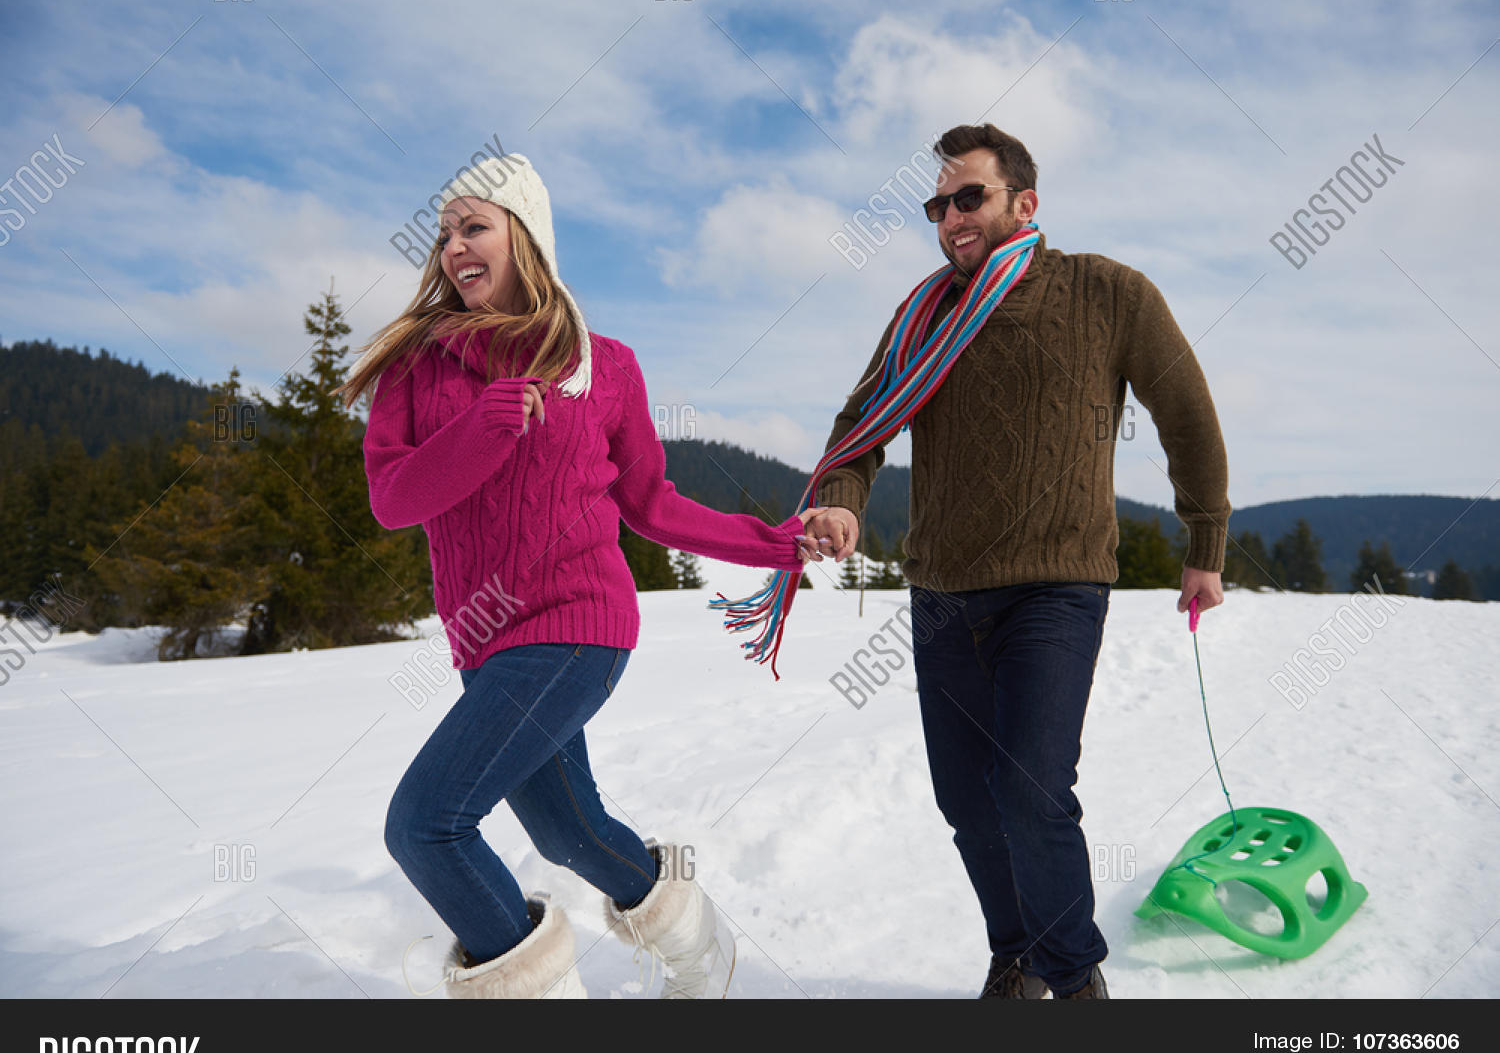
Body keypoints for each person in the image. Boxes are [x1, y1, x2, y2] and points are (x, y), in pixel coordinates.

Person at [340, 153, 821, 999]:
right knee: (570, 830)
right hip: (485, 642)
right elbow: (392, 498)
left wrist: (777, 544)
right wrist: (482, 430)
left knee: (425, 826)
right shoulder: (416, 366)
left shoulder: (605, 366)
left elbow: (654, 505)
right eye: (446, 232)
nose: (454, 246)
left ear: (524, 236)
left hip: (578, 627)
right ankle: (699, 945)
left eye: (474, 225)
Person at [801, 124, 1231, 999]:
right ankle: (1016, 954)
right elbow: (861, 425)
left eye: (969, 198)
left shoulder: (1108, 292)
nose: (950, 217)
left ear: (1024, 203)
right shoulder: (924, 312)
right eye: (937, 205)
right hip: (943, 594)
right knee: (968, 804)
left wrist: (1205, 541)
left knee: (1031, 790)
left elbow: (1184, 408)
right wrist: (842, 496)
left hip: (1057, 587)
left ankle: (1075, 976)